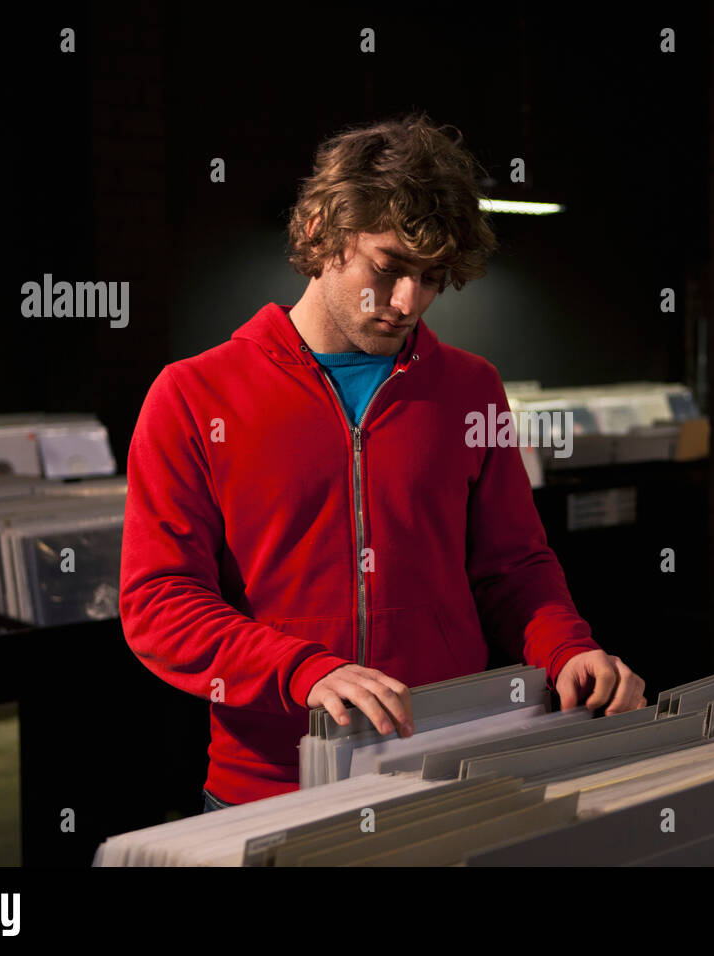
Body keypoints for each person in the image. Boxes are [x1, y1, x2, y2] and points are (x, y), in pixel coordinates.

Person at [119, 113, 645, 811]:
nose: (408, 303)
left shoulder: (470, 388)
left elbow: (513, 566)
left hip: (445, 766)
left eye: (432, 279)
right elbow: (159, 603)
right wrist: (301, 671)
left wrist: (568, 649)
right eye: (389, 269)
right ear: (319, 235)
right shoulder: (192, 394)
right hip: (269, 785)